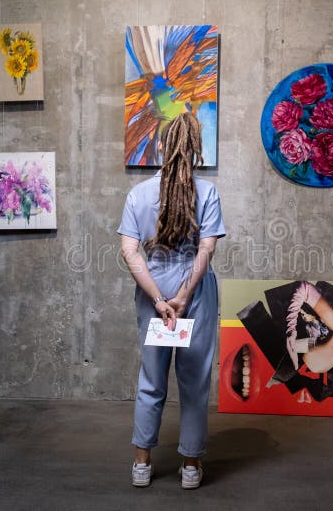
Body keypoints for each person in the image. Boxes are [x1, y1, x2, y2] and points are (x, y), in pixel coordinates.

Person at [117, 112, 225, 489]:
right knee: (194, 382)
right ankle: (191, 467)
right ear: (195, 149)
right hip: (195, 292)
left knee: (151, 379)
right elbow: (206, 249)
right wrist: (182, 296)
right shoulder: (207, 193)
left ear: (161, 145)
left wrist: (158, 298)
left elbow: (130, 252)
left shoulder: (138, 195)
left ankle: (142, 464)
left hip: (154, 291)